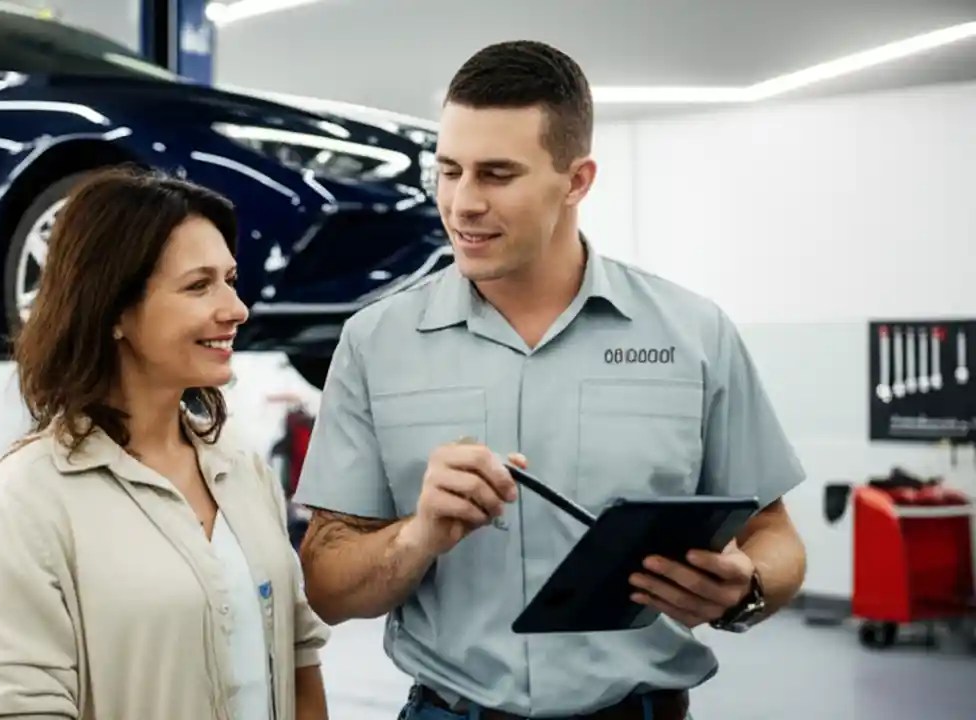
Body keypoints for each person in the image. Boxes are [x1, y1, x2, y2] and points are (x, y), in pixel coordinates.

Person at [293, 40, 808, 720]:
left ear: (577, 180)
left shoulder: (695, 335)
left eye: (497, 174)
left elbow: (776, 535)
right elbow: (326, 584)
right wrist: (418, 536)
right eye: (448, 171)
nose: (462, 203)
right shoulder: (374, 343)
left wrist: (746, 589)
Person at [0, 167, 331, 720]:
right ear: (114, 309)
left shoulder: (240, 465)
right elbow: (21, 706)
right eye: (199, 285)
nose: (236, 308)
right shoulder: (32, 496)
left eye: (230, 279)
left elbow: (298, 656)